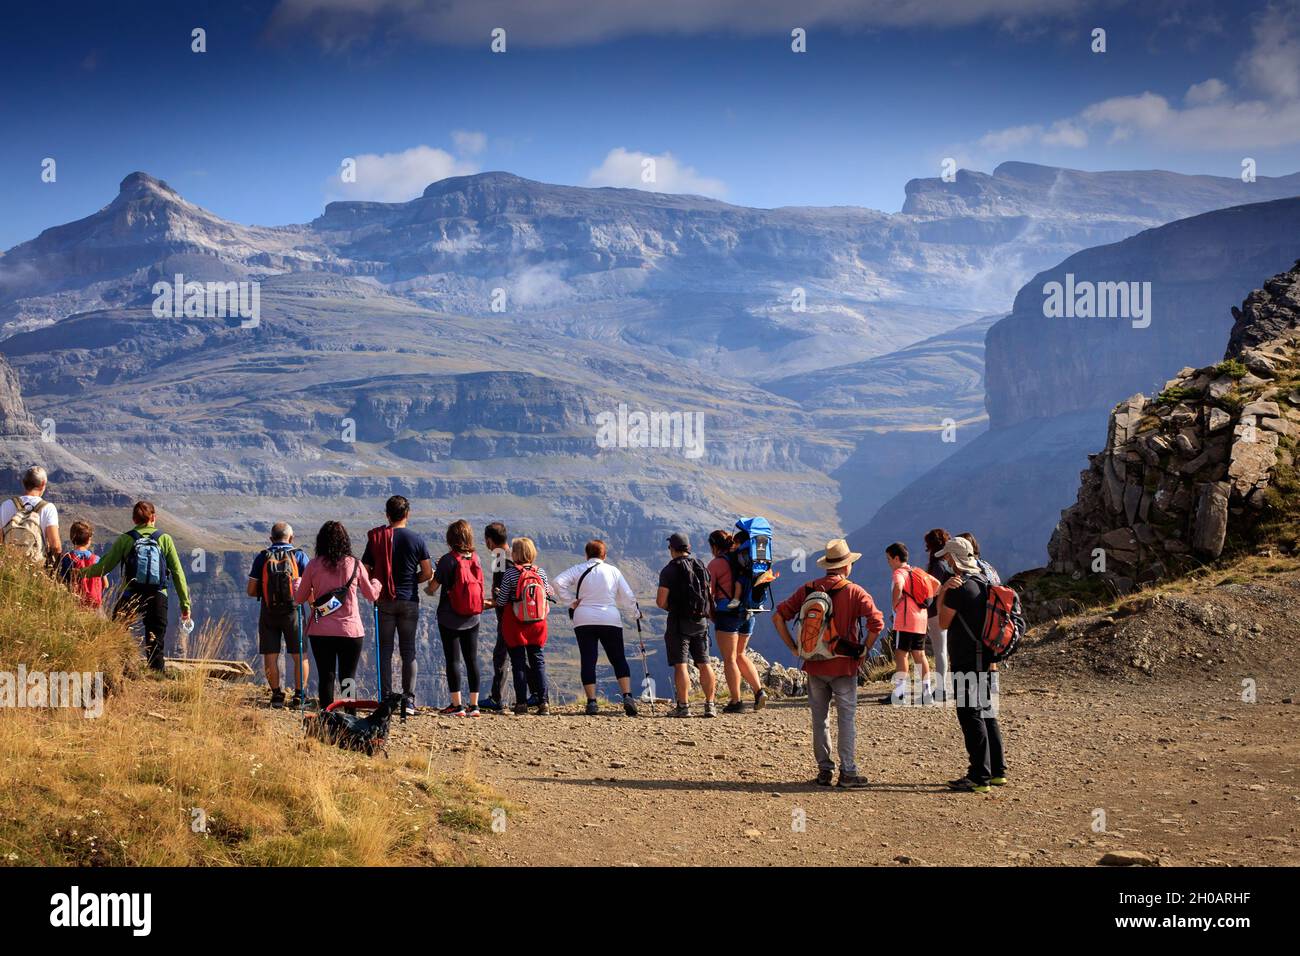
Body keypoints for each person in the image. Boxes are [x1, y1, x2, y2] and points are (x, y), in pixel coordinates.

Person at [774, 539, 884, 789]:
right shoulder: (855, 592)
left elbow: (778, 616)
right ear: (847, 566)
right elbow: (877, 622)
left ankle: (824, 771)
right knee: (846, 718)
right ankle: (848, 772)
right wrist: (864, 650)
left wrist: (794, 647)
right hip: (844, 666)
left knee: (819, 719)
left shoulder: (808, 588)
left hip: (814, 664)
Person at [79, 500, 191, 671]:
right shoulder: (164, 539)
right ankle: (157, 679)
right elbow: (178, 573)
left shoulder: (125, 539)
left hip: (130, 594)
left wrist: (78, 573)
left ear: (134, 519)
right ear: (153, 517)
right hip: (158, 594)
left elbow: (104, 567)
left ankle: (117, 670)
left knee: (116, 634)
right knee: (156, 643)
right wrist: (185, 605)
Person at [935, 535, 1007, 793]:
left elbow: (943, 622)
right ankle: (997, 771)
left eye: (947, 557)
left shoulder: (958, 586)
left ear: (954, 559)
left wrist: (943, 591)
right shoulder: (984, 580)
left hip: (967, 660)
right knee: (987, 713)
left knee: (970, 715)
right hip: (987, 658)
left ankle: (979, 776)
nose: (945, 561)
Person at [293, 521, 383, 711]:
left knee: (326, 676)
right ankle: (350, 717)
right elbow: (371, 595)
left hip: (320, 631)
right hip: (350, 632)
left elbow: (299, 598)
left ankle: (327, 718)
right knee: (347, 676)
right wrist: (376, 582)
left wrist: (296, 583)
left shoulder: (313, 565)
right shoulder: (355, 564)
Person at [554, 539, 640, 716]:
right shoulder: (613, 571)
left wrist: (571, 601)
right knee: (618, 658)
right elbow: (627, 595)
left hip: (584, 618)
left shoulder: (578, 569)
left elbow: (557, 582)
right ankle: (627, 696)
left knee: (588, 659)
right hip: (610, 618)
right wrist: (635, 614)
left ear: (586, 554)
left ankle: (592, 702)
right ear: (604, 555)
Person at [362, 496, 433, 713]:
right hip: (409, 600)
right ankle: (408, 700)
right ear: (407, 514)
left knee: (384, 650)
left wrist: (377, 585)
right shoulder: (417, 539)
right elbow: (428, 572)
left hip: (384, 600)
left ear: (387, 515)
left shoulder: (377, 539)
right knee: (408, 650)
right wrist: (413, 580)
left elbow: (365, 569)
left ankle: (385, 699)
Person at [247, 522, 311, 708]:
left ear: (271, 539)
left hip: (269, 611)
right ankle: (300, 697)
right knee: (300, 654)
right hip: (294, 611)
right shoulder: (299, 556)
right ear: (291, 538)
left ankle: (276, 696)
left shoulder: (262, 557)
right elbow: (308, 588)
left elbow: (251, 590)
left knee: (271, 654)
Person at [425, 519, 485, 717]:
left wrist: (434, 575)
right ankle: (474, 706)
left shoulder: (448, 560)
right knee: (472, 659)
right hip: (473, 616)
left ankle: (456, 705)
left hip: (450, 618)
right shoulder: (475, 558)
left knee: (453, 660)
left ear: (451, 539)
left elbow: (432, 590)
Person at [656, 532, 716, 718]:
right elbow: (709, 593)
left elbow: (660, 601)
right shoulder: (701, 566)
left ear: (672, 549)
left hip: (678, 622)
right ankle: (710, 705)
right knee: (704, 663)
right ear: (688, 548)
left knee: (681, 665)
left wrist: (672, 608)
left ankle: (683, 706)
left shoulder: (669, 570)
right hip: (700, 621)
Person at [707, 529, 768, 713]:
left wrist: (711, 614)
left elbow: (708, 593)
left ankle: (736, 701)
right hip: (748, 612)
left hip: (728, 614)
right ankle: (759, 691)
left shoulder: (716, 564)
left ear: (714, 546)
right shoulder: (743, 559)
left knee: (729, 659)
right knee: (740, 654)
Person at [495, 537, 557, 716]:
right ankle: (543, 703)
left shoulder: (511, 573)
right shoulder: (541, 572)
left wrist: (499, 593)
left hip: (516, 624)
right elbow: (547, 593)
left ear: (515, 554)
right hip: (537, 623)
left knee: (518, 663)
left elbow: (502, 600)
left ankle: (521, 703)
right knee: (538, 661)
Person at [885, 541, 932, 706]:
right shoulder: (918, 572)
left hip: (905, 620)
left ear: (896, 558)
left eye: (889, 559)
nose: (888, 563)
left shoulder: (900, 572)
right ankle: (927, 693)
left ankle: (899, 693)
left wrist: (895, 604)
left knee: (901, 654)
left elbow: (898, 585)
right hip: (921, 617)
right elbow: (937, 585)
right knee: (920, 654)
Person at [1, 465, 62, 567]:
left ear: (24, 483)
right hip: (36, 566)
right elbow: (55, 545)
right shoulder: (48, 508)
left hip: (9, 565)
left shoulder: (6, 505)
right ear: (43, 484)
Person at [479, 521, 511, 712]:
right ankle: (537, 696)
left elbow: (500, 594)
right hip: (519, 615)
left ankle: (497, 699)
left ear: (489, 540)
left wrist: (485, 603)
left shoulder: (499, 557)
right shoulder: (514, 553)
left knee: (501, 656)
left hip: (507, 617)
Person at [923, 528, 953, 702]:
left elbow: (932, 590)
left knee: (939, 650)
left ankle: (941, 689)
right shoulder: (947, 563)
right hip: (947, 610)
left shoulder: (937, 565)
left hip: (936, 611)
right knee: (943, 649)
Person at [57, 519, 104, 611]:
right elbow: (105, 584)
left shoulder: (67, 558)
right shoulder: (97, 559)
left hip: (74, 602)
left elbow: (61, 581)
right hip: (93, 603)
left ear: (72, 538)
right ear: (89, 540)